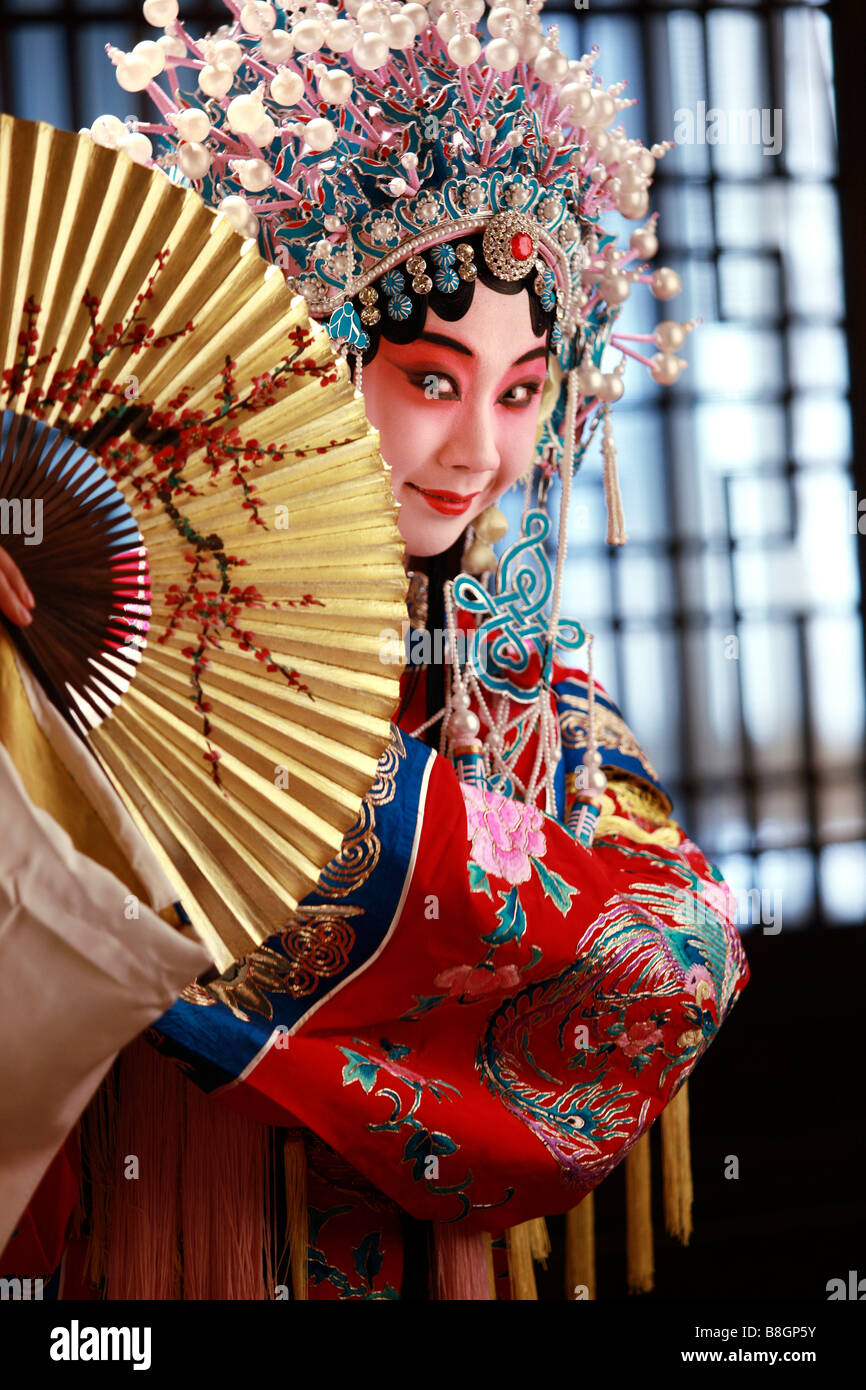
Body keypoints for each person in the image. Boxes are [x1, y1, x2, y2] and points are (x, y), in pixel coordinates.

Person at [0, 0, 749, 1300]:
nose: (479, 454)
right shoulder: (85, 650)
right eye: (430, 376)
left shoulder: (527, 712)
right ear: (293, 357)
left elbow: (669, 976)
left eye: (522, 392)